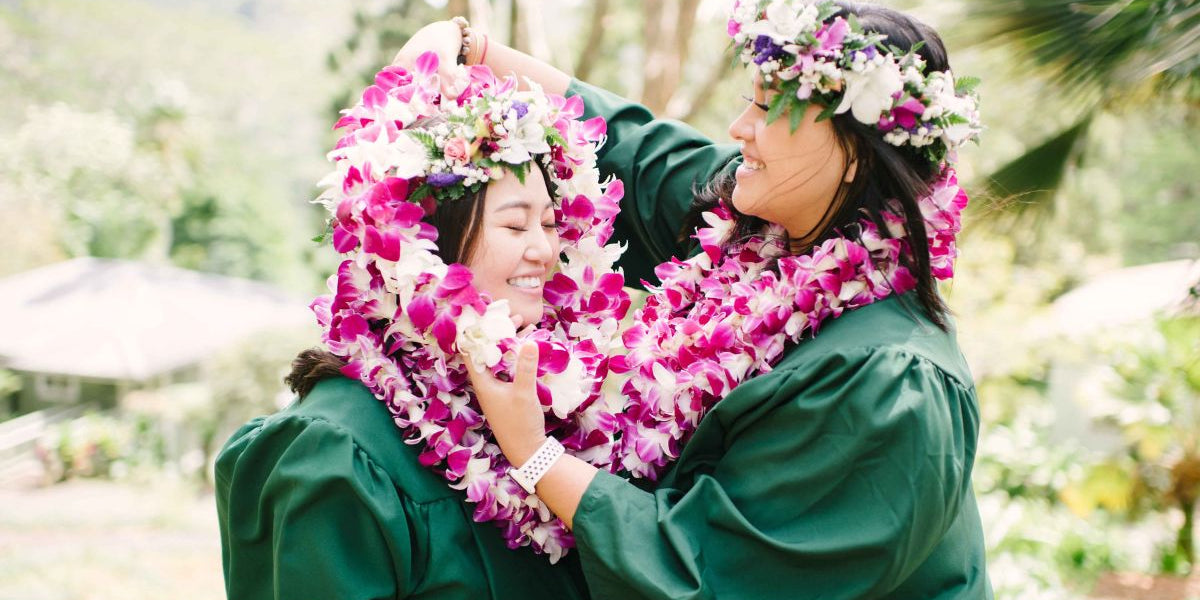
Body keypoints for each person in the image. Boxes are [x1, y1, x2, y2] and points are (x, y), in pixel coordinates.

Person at [394, 1, 992, 598]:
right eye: (750, 99)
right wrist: (463, 49)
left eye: (768, 108)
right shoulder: (763, 224)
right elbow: (633, 154)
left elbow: (720, 576)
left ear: (854, 153)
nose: (740, 128)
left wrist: (531, 452)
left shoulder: (889, 383)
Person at [212, 59, 625, 599]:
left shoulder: (537, 419)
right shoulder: (336, 450)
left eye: (548, 223)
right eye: (514, 224)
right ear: (430, 245)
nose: (544, 250)